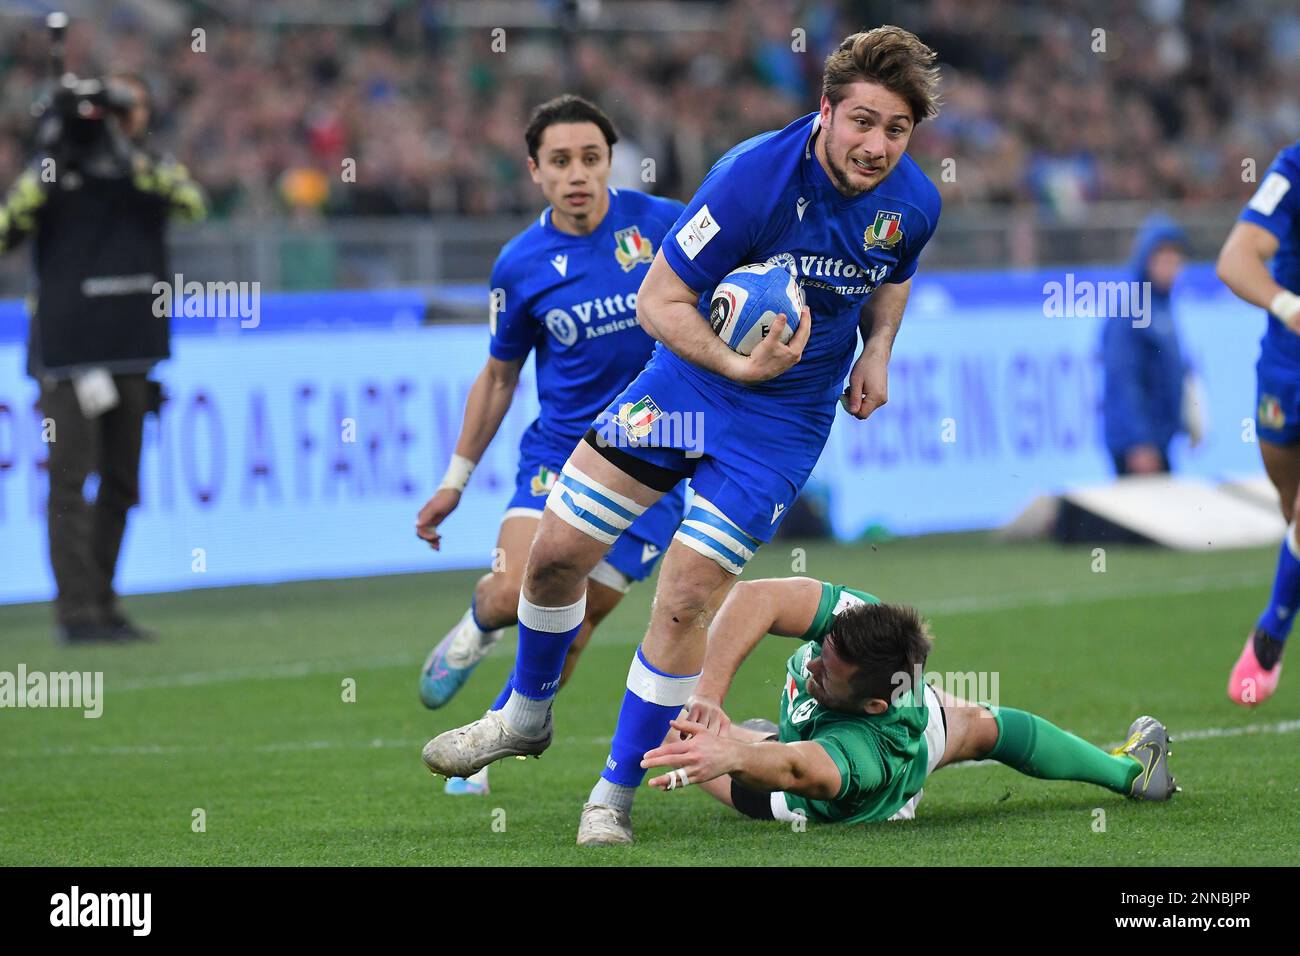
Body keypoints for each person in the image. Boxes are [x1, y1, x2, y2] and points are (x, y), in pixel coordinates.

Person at [422, 27, 943, 846]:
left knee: (685, 598)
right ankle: (525, 716)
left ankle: (613, 796)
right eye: (863, 123)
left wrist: (878, 347)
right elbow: (659, 302)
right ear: (825, 111)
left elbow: (898, 267)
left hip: (784, 423)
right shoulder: (750, 179)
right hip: (688, 383)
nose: (877, 146)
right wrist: (732, 370)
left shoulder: (915, 200)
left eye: (897, 130)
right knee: (554, 556)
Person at [414, 95, 688, 794]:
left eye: (590, 159)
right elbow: (500, 376)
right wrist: (455, 478)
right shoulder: (520, 264)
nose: (578, 175)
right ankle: (480, 619)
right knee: (517, 591)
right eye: (560, 162)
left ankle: (491, 735)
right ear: (535, 172)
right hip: (559, 455)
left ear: (609, 163)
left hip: (656, 460)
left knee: (575, 625)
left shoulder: (663, 226)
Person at [640, 577, 1176, 824]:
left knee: (677, 737)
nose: (813, 666)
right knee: (985, 724)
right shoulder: (865, 623)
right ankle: (1129, 772)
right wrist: (707, 694)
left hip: (842, 794)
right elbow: (756, 597)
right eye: (821, 652)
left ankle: (1128, 772)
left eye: (829, 673)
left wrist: (728, 757)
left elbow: (796, 769)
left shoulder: (866, 750)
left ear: (874, 704)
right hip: (913, 720)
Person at [0, 72, 206, 644]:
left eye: (124, 105)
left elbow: (191, 205)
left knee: (120, 483)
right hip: (69, 354)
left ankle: (103, 600)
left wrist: (126, 153)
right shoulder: (53, 172)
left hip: (131, 346)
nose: (109, 118)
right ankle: (76, 611)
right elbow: (5, 230)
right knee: (69, 482)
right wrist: (52, 149)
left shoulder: (145, 172)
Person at [1216, 139, 1300, 707]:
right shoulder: (1294, 168)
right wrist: (1290, 308)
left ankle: (1271, 632)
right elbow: (1236, 260)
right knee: (1293, 508)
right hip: (1286, 371)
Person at [1100, 213, 1197, 476]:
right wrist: (1138, 443)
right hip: (1140, 448)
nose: (1170, 265)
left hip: (1160, 442)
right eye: (1162, 257)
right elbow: (1123, 379)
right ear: (1146, 260)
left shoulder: (1162, 307)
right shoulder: (1133, 310)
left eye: (1175, 258)